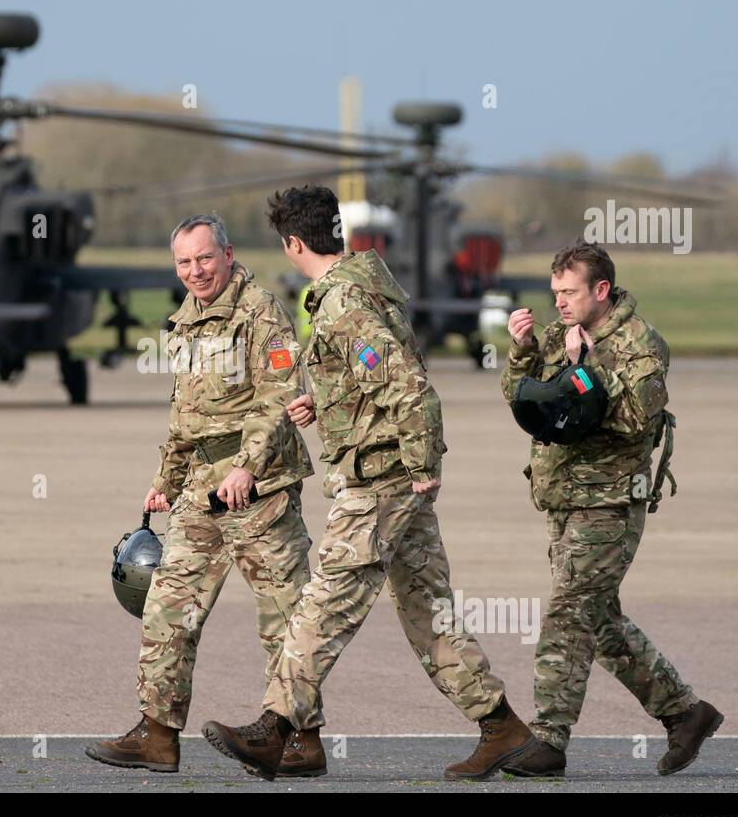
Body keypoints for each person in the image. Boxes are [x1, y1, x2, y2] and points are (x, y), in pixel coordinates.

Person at [202, 186, 534, 781]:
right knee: (427, 610)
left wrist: (423, 465)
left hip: (380, 480)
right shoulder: (362, 287)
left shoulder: (342, 302)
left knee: (325, 601)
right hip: (392, 475)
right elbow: (371, 374)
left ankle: (275, 728)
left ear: (293, 244)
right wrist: (326, 403)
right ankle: (502, 727)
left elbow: (408, 387)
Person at [86, 213, 322, 775]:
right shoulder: (186, 319)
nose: (195, 271)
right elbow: (184, 411)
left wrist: (246, 467)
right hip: (200, 490)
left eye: (205, 258)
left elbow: (279, 394)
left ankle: (301, 741)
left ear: (228, 255)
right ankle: (157, 735)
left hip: (259, 490)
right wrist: (165, 481)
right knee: (167, 607)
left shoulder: (261, 311)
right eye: (184, 262)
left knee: (283, 618)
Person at [499, 239, 722, 777]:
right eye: (555, 292)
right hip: (563, 497)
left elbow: (633, 420)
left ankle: (549, 739)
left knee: (568, 613)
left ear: (602, 289)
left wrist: (584, 367)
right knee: (598, 622)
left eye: (569, 292)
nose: (560, 303)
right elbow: (525, 400)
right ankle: (685, 713)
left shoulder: (640, 344)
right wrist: (523, 351)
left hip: (610, 501)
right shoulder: (557, 333)